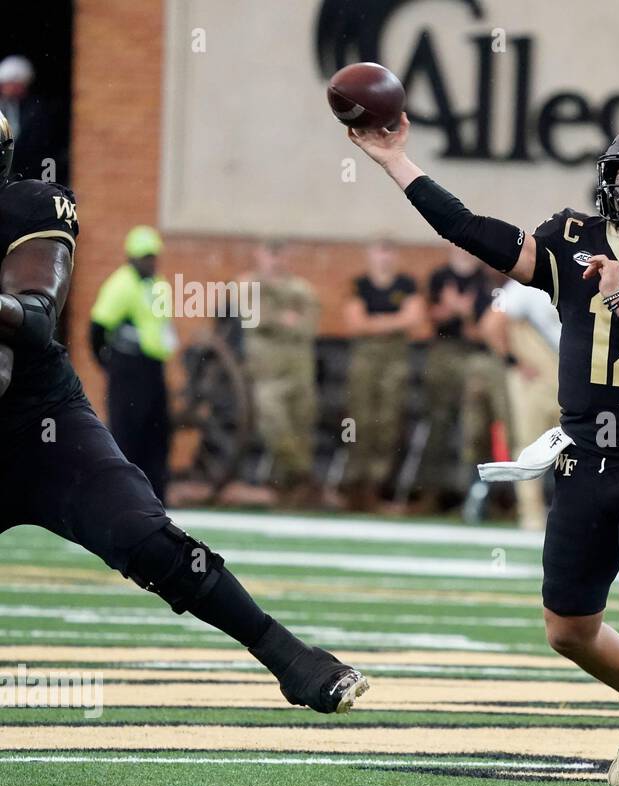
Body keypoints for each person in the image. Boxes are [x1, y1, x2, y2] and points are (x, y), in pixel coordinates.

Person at [348, 115, 619, 786]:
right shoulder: (574, 239)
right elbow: (473, 230)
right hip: (585, 454)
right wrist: (395, 162)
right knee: (567, 627)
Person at [0, 112, 367, 716]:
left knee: (143, 535)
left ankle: (285, 653)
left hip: (42, 428)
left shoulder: (30, 207)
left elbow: (38, 313)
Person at [89, 225, 176, 503]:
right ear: (131, 257)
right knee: (127, 432)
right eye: (143, 256)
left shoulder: (158, 283)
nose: (149, 261)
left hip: (153, 368)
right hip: (128, 368)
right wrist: (108, 362)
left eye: (152, 256)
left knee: (157, 433)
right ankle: (124, 496)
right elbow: (97, 328)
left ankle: (155, 496)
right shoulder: (121, 284)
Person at [340, 239, 421, 511]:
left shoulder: (406, 284)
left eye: (389, 251)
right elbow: (354, 322)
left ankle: (378, 485)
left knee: (389, 420)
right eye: (379, 251)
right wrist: (392, 321)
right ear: (370, 254)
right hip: (365, 359)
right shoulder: (359, 284)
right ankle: (355, 485)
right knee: (359, 420)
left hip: (395, 359)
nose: (384, 257)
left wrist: (374, 322)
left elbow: (414, 318)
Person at [477, 279, 562, 530]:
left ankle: (570, 515)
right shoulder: (524, 286)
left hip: (572, 372)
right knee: (529, 445)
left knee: (576, 448)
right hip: (537, 375)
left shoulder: (581, 274)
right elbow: (491, 324)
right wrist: (514, 361)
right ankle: (531, 515)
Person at [242, 239, 322, 506]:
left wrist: (275, 319)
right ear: (259, 255)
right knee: (274, 423)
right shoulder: (247, 285)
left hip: (299, 371)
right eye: (270, 253)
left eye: (279, 254)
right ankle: (304, 477)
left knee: (301, 428)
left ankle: (291, 492)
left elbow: (307, 325)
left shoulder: (301, 288)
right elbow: (254, 316)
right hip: (268, 375)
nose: (275, 260)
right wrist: (282, 318)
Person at [422, 246, 495, 508]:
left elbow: (486, 330)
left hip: (476, 357)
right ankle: (430, 492)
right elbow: (430, 316)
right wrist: (457, 311)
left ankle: (474, 496)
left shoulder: (486, 280)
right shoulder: (440, 275)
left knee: (474, 427)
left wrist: (458, 311)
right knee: (438, 421)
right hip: (443, 351)